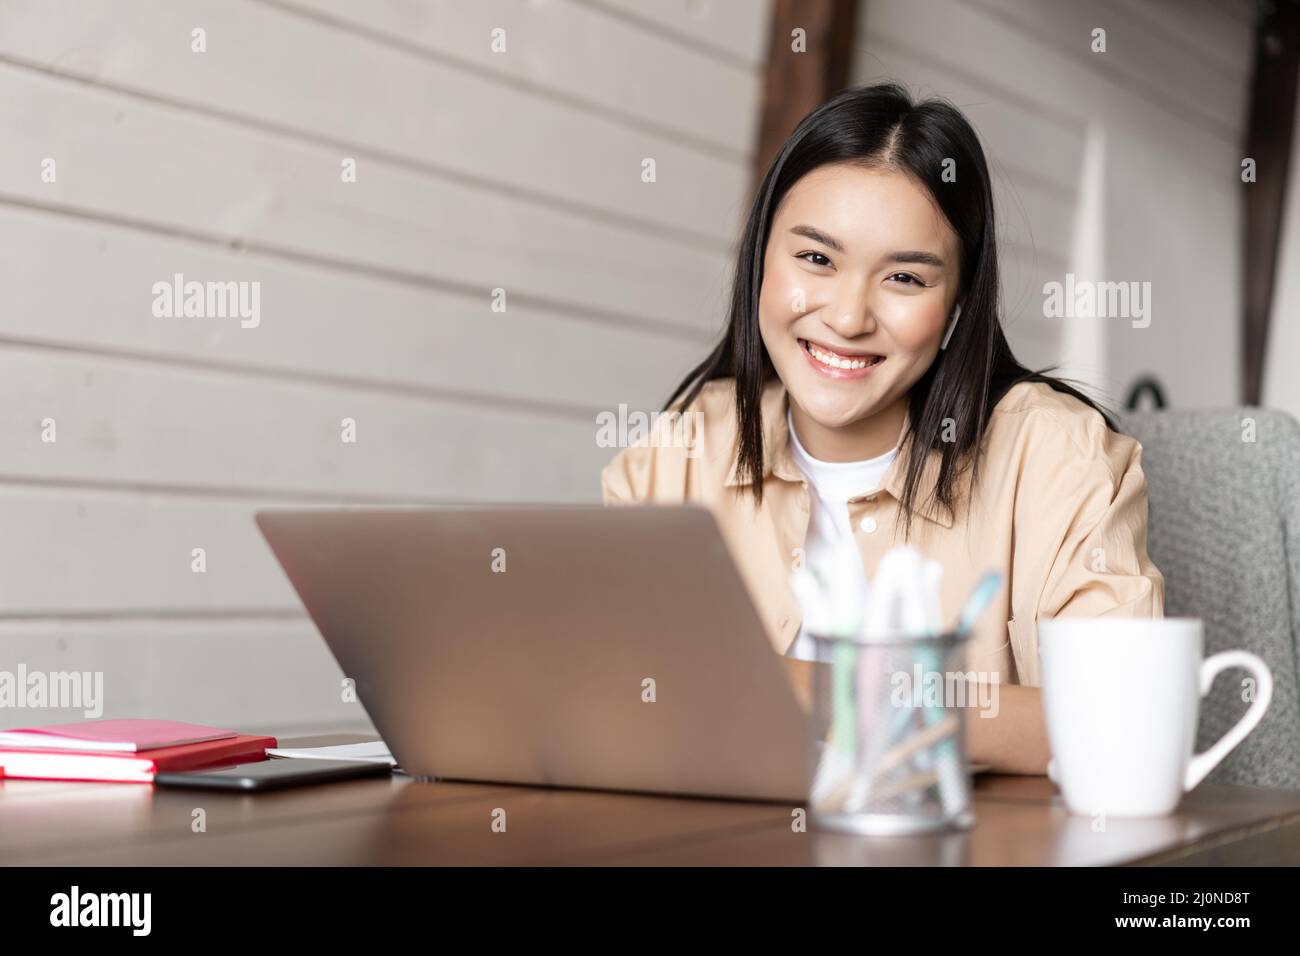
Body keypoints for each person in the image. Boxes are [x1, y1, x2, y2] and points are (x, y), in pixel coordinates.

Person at [601, 83, 1164, 774]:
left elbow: (1120, 716)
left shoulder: (1057, 457)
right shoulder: (681, 447)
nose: (847, 317)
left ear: (957, 305)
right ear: (760, 264)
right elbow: (606, 693)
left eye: (903, 277)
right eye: (815, 259)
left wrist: (809, 692)